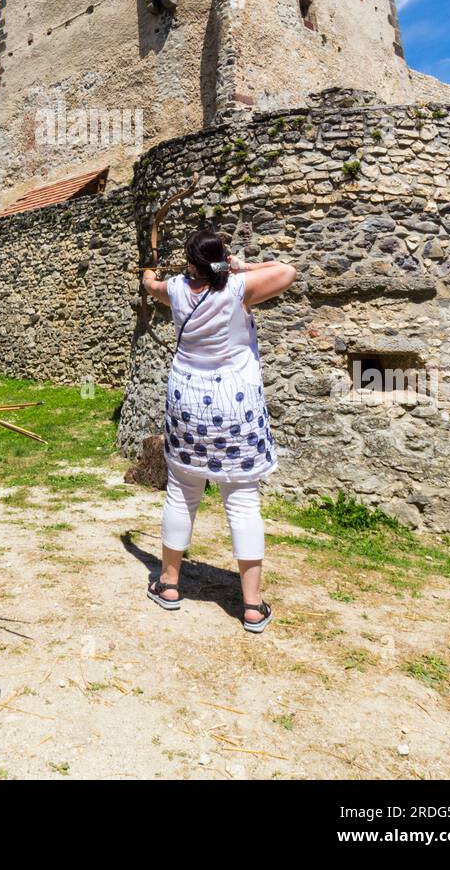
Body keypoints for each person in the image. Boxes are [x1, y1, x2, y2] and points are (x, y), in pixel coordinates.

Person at [141, 227, 296, 632]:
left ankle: (170, 584)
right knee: (243, 502)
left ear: (190, 262)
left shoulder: (174, 289)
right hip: (235, 407)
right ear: (221, 260)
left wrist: (148, 270)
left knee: (181, 493)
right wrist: (242, 266)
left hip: (188, 405)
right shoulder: (238, 289)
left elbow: (151, 283)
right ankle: (252, 605)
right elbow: (287, 270)